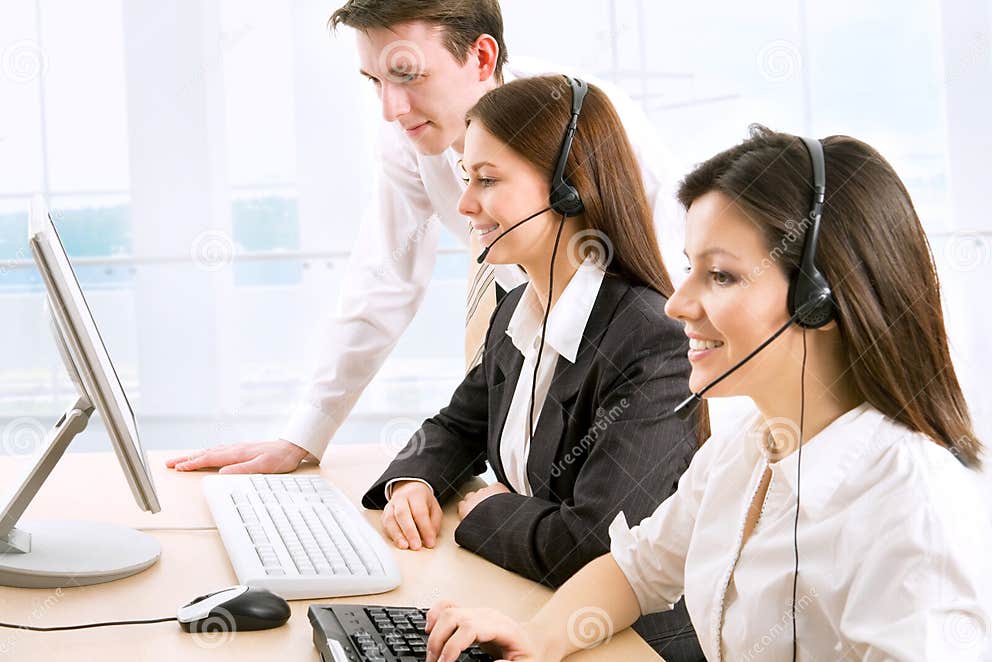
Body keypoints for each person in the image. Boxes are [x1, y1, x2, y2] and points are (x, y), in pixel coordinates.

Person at [421, 126, 992, 662]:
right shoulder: (747, 450)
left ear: (819, 298)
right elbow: (637, 569)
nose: (676, 304)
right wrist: (535, 638)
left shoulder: (912, 514)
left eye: (720, 276)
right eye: (690, 268)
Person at [165, 0, 680, 476]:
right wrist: (305, 434)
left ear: (481, 57)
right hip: (522, 311)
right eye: (374, 82)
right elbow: (383, 279)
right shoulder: (408, 137)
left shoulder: (585, 125)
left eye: (407, 75)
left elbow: (668, 292)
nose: (391, 108)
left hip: (634, 344)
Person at [362, 74, 707, 660]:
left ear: (569, 190)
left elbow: (596, 545)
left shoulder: (652, 341)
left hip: (623, 643)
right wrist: (414, 480)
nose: (465, 203)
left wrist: (486, 512)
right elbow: (459, 424)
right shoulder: (520, 308)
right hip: (524, 603)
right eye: (466, 178)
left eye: (488, 181)